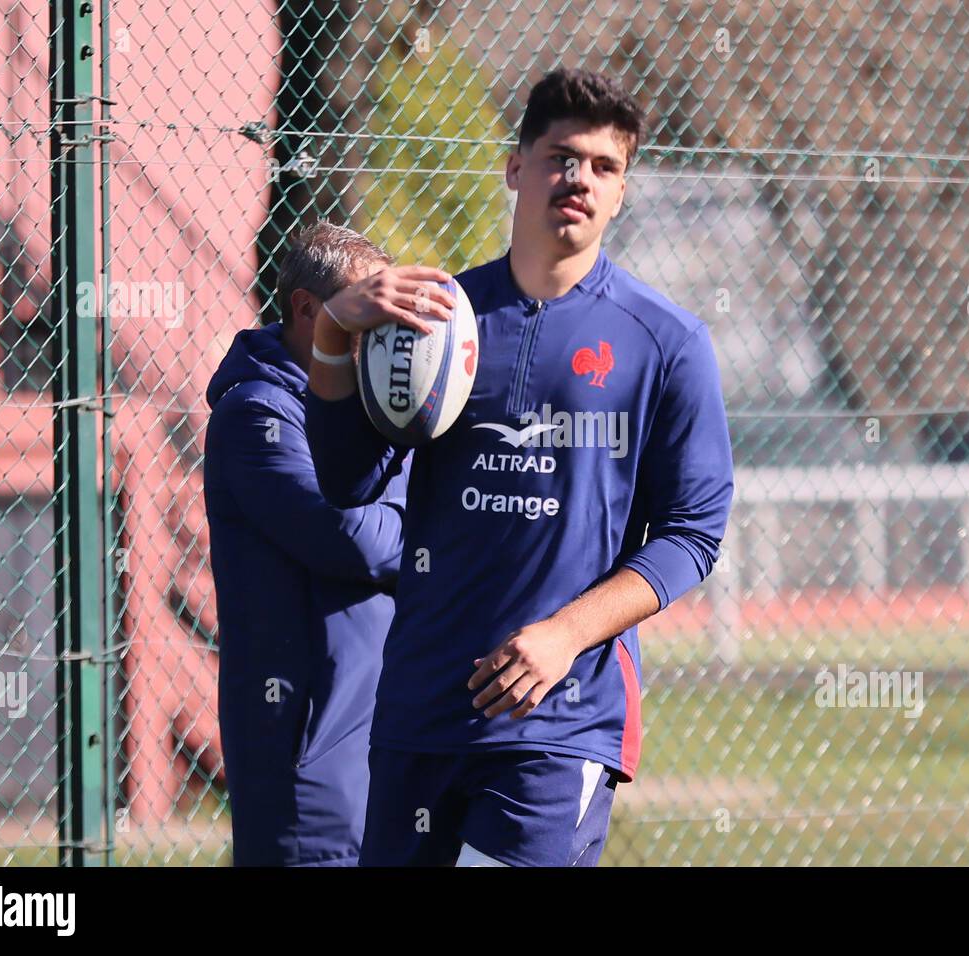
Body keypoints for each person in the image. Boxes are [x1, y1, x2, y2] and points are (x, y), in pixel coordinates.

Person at [304, 68, 735, 866]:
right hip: (422, 708)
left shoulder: (668, 342)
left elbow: (693, 534)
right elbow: (346, 481)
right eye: (561, 158)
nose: (580, 180)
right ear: (516, 167)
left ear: (622, 192)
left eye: (605, 167)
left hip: (557, 720)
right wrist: (334, 339)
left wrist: (566, 636)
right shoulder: (435, 321)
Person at [205, 222, 407, 866]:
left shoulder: (365, 408)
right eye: (364, 313)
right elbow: (358, 541)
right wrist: (434, 520)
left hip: (377, 746)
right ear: (307, 310)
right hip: (308, 767)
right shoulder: (256, 416)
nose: (380, 336)